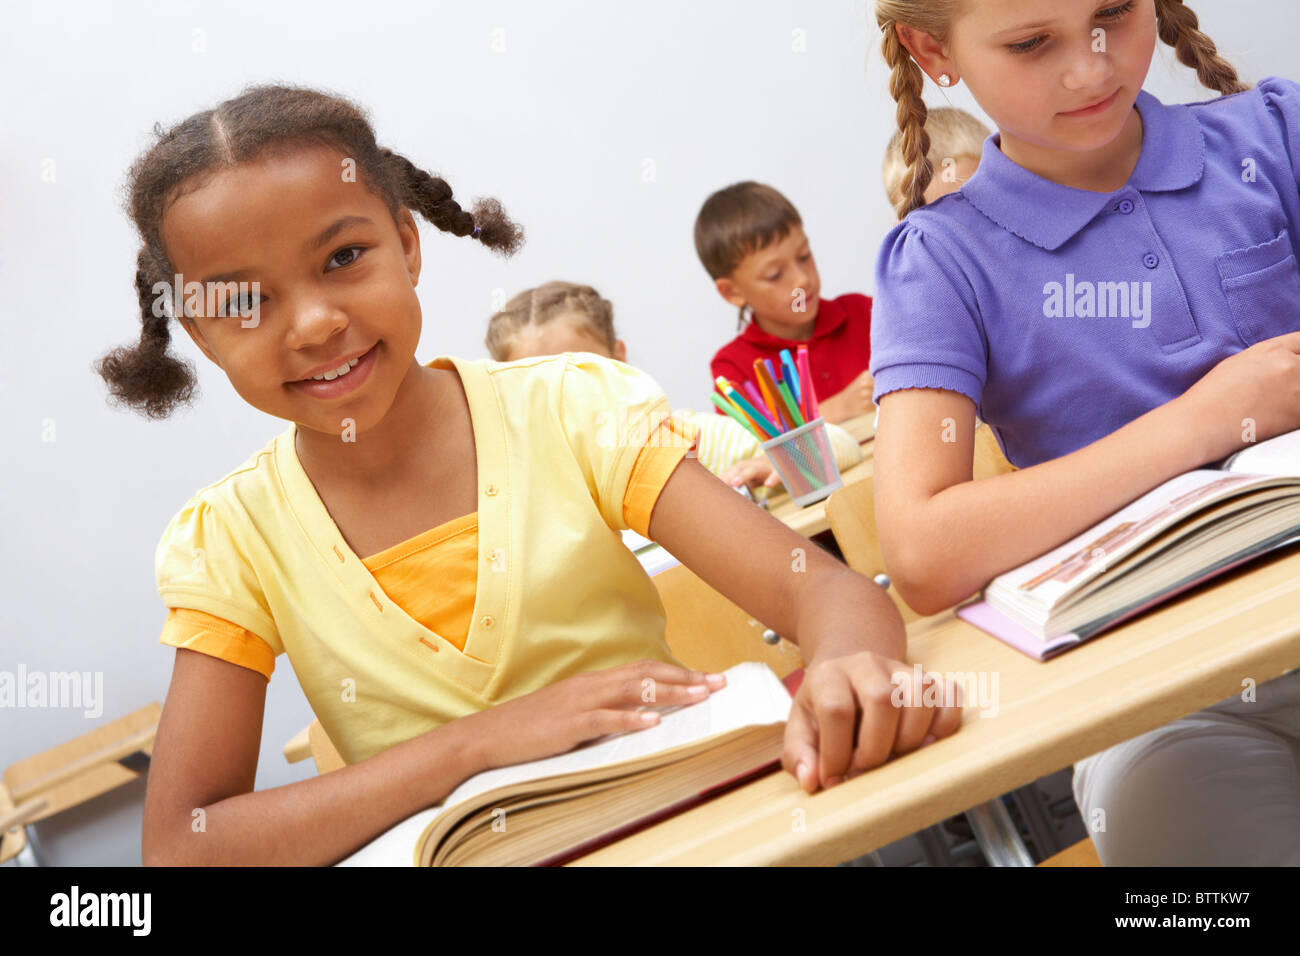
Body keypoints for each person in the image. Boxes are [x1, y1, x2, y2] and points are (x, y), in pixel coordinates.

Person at [95, 83, 961, 865]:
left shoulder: (567, 411)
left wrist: (853, 664)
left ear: (407, 243)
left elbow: (829, 592)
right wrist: (482, 743)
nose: (316, 323)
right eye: (244, 303)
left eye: (342, 258)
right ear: (202, 336)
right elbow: (185, 844)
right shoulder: (233, 541)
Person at [869, 0, 1300, 863]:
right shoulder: (943, 261)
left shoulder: (1274, 135)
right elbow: (922, 549)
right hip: (1164, 700)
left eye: (1113, 14)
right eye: (1032, 44)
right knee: (1163, 818)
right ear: (931, 50)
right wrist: (1205, 419)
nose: (1091, 68)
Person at [484, 280, 864, 501]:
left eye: (582, 375)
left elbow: (840, 444)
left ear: (620, 358)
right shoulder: (526, 491)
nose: (564, 403)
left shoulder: (693, 438)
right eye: (536, 388)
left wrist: (777, 463)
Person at [699, 182, 876, 424]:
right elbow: (752, 453)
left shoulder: (864, 312)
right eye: (775, 275)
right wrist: (831, 412)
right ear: (732, 292)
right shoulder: (732, 368)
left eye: (804, 257)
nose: (802, 279)